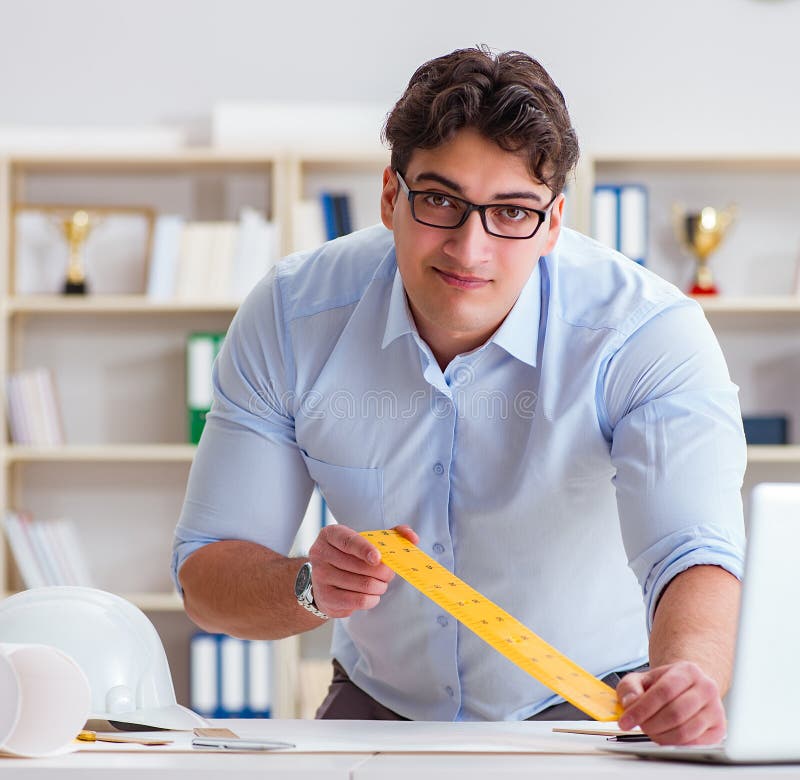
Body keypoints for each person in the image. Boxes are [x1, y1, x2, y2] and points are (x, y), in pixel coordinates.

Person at [173, 46, 746, 745]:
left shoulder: (645, 335)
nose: (469, 250)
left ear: (555, 222)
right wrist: (308, 586)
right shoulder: (293, 318)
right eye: (440, 201)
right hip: (377, 706)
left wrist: (688, 677)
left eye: (511, 212)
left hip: (592, 708)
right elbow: (207, 574)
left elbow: (692, 550)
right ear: (391, 196)